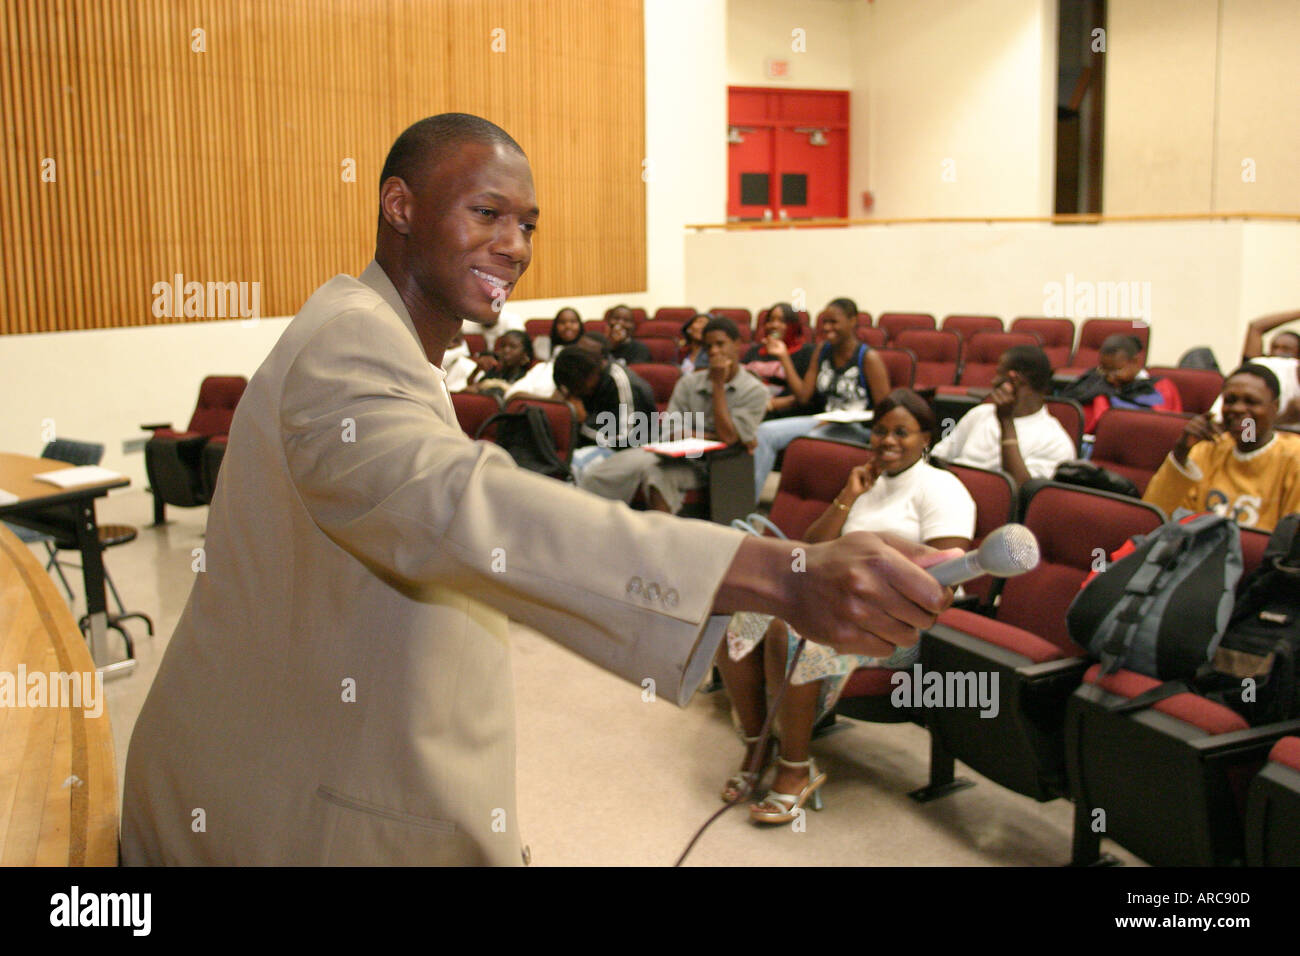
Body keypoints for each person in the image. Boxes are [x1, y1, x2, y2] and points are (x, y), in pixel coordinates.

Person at [120, 114, 957, 866]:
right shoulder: (347, 345)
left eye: (527, 224)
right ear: (400, 206)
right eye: (487, 214)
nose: (516, 244)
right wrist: (777, 573)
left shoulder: (378, 338)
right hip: (287, 810)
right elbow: (458, 507)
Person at [718, 389, 976, 823]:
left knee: (790, 629)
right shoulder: (867, 482)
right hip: (839, 605)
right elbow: (813, 552)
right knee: (738, 614)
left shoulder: (943, 489)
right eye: (879, 431)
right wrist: (848, 494)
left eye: (902, 433)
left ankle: (795, 769)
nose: (887, 441)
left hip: (896, 623)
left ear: (926, 439)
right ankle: (757, 745)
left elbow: (943, 577)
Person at [578, 316, 768, 513]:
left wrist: (717, 385)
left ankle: (663, 539)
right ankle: (591, 523)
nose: (713, 352)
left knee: (657, 475)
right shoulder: (689, 383)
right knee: (599, 474)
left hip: (720, 465)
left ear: (737, 345)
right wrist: (693, 435)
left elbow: (729, 437)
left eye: (720, 344)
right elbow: (671, 428)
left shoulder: (754, 391)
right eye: (708, 346)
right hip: (677, 456)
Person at [751, 297, 890, 500]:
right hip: (823, 420)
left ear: (852, 321)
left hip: (857, 428)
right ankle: (744, 508)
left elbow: (886, 411)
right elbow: (803, 396)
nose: (827, 327)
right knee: (764, 433)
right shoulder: (822, 350)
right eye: (824, 322)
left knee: (810, 445)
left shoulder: (867, 358)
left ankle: (799, 507)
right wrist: (783, 357)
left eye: (833, 322)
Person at [1143, 364, 1300, 532]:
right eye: (1230, 400)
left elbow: (1290, 541)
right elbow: (1153, 518)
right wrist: (1181, 454)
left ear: (1274, 407)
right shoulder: (1207, 448)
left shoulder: (1294, 456)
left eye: (1251, 401)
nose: (1238, 409)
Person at [931, 345, 1076, 487]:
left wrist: (1006, 421)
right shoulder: (980, 413)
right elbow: (938, 457)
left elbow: (1023, 492)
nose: (993, 382)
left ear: (1014, 379)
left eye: (998, 374)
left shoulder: (1056, 441)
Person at [554, 334, 658, 478]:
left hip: (631, 449)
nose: (578, 394)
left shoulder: (622, 383)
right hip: (592, 444)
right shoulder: (578, 377)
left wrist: (583, 423)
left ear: (590, 377)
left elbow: (626, 439)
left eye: (579, 389)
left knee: (570, 469)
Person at [1062, 334, 1182, 434]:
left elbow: (1162, 426)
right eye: (1104, 370)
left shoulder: (1159, 388)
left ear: (1135, 362)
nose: (1109, 378)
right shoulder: (1096, 381)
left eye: (1115, 371)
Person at [742, 302, 815, 420]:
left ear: (793, 326)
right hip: (749, 407)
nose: (774, 325)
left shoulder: (807, 352)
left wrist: (784, 356)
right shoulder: (755, 350)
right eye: (770, 320)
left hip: (781, 414)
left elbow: (803, 397)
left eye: (782, 321)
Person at [464, 328, 535, 395]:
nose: (506, 350)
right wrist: (477, 370)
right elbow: (471, 391)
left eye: (513, 347)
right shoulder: (495, 371)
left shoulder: (528, 377)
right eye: (503, 346)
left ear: (525, 354)